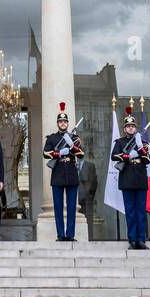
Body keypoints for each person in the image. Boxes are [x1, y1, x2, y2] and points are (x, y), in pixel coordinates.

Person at [110, 105, 150, 250]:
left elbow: (147, 160)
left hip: (140, 179)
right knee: (130, 212)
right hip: (126, 179)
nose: (131, 129)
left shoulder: (143, 143)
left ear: (135, 128)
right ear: (124, 128)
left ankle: (141, 239)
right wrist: (127, 156)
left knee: (140, 211)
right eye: (128, 127)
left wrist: (140, 148)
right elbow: (114, 156)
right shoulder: (120, 142)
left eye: (133, 126)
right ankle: (132, 239)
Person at [43, 101, 84, 241]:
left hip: (72, 173)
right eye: (60, 122)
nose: (63, 124)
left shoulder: (74, 138)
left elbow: (81, 155)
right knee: (58, 207)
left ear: (68, 123)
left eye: (65, 121)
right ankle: (60, 234)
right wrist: (59, 153)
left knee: (72, 207)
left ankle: (70, 234)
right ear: (57, 123)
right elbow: (45, 153)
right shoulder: (52, 138)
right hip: (58, 173)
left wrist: (72, 146)